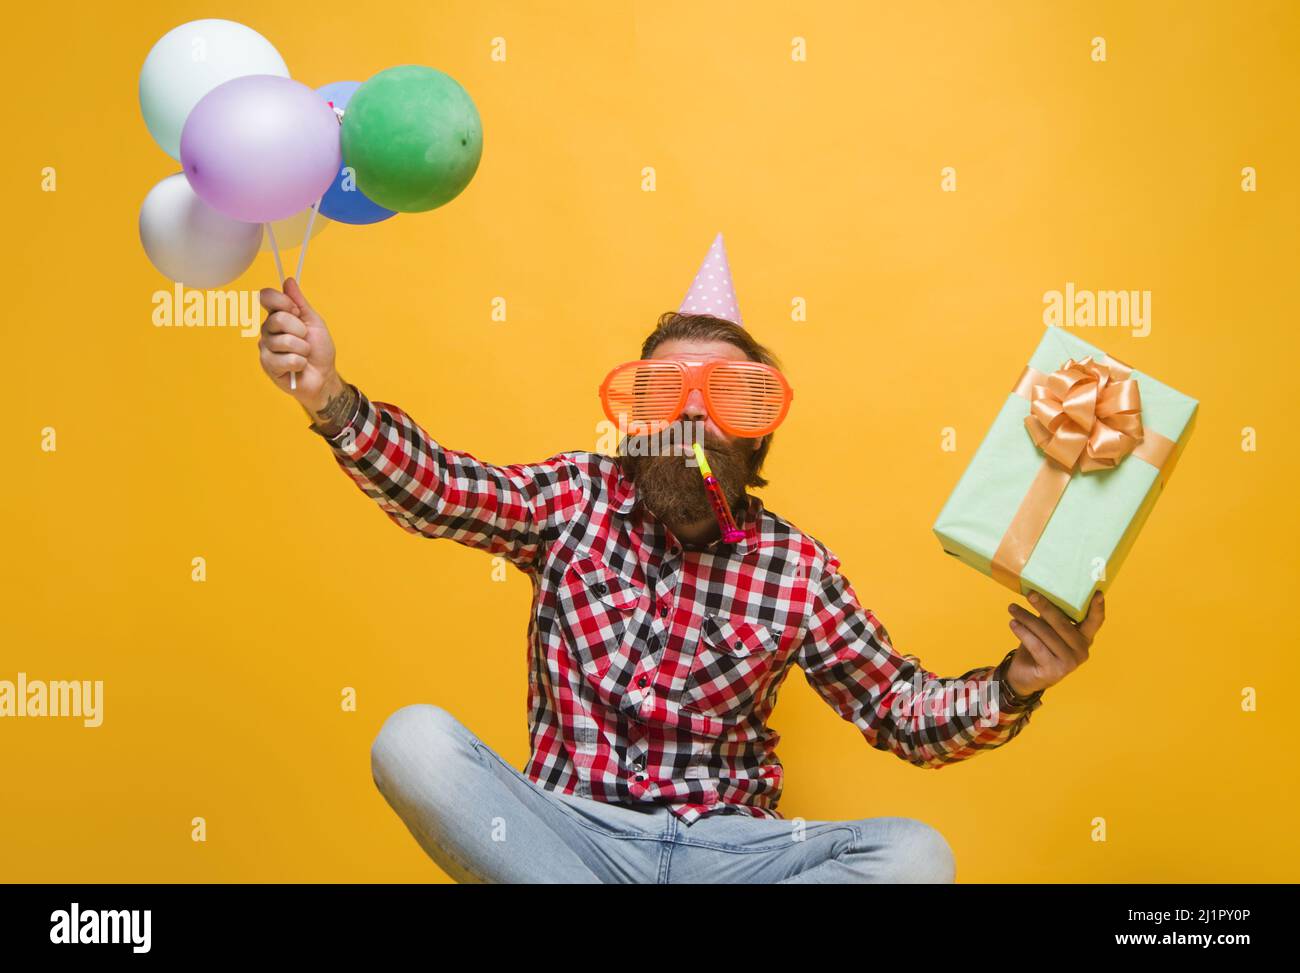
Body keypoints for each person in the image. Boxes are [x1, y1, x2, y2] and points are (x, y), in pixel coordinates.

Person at [256, 240, 1104, 884]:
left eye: (728, 398)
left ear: (758, 429)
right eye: (663, 397)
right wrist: (330, 398)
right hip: (569, 833)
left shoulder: (794, 567)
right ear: (631, 420)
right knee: (412, 741)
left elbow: (899, 710)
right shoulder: (570, 499)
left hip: (731, 853)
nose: (691, 419)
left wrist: (1017, 682)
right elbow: (443, 489)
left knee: (916, 856)